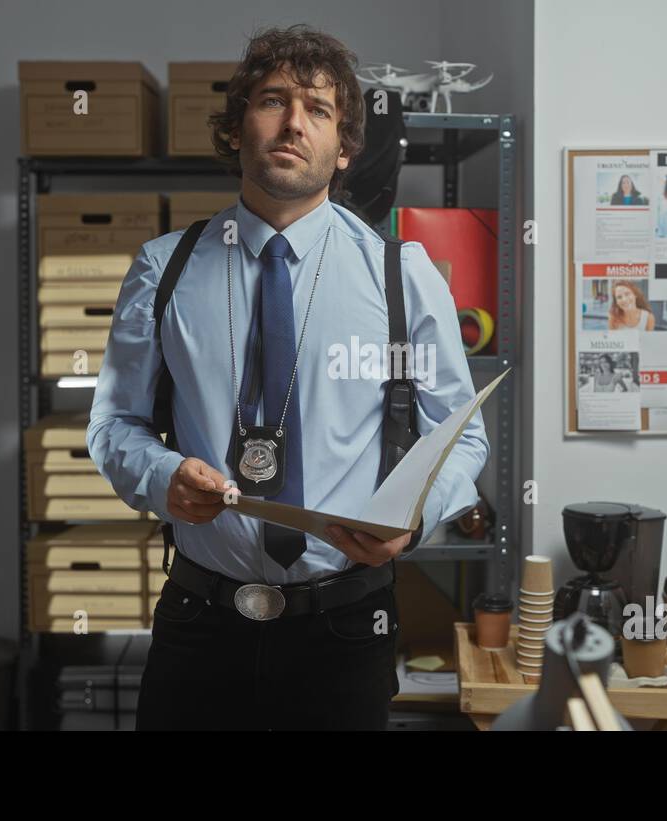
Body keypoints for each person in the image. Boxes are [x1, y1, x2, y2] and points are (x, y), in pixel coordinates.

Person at [87, 25, 488, 731]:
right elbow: (113, 423)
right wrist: (160, 474)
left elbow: (462, 434)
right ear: (237, 126)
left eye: (319, 109)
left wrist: (415, 520)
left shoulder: (402, 276)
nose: (294, 123)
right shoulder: (163, 269)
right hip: (200, 622)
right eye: (273, 100)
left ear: (344, 148)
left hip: (346, 627)